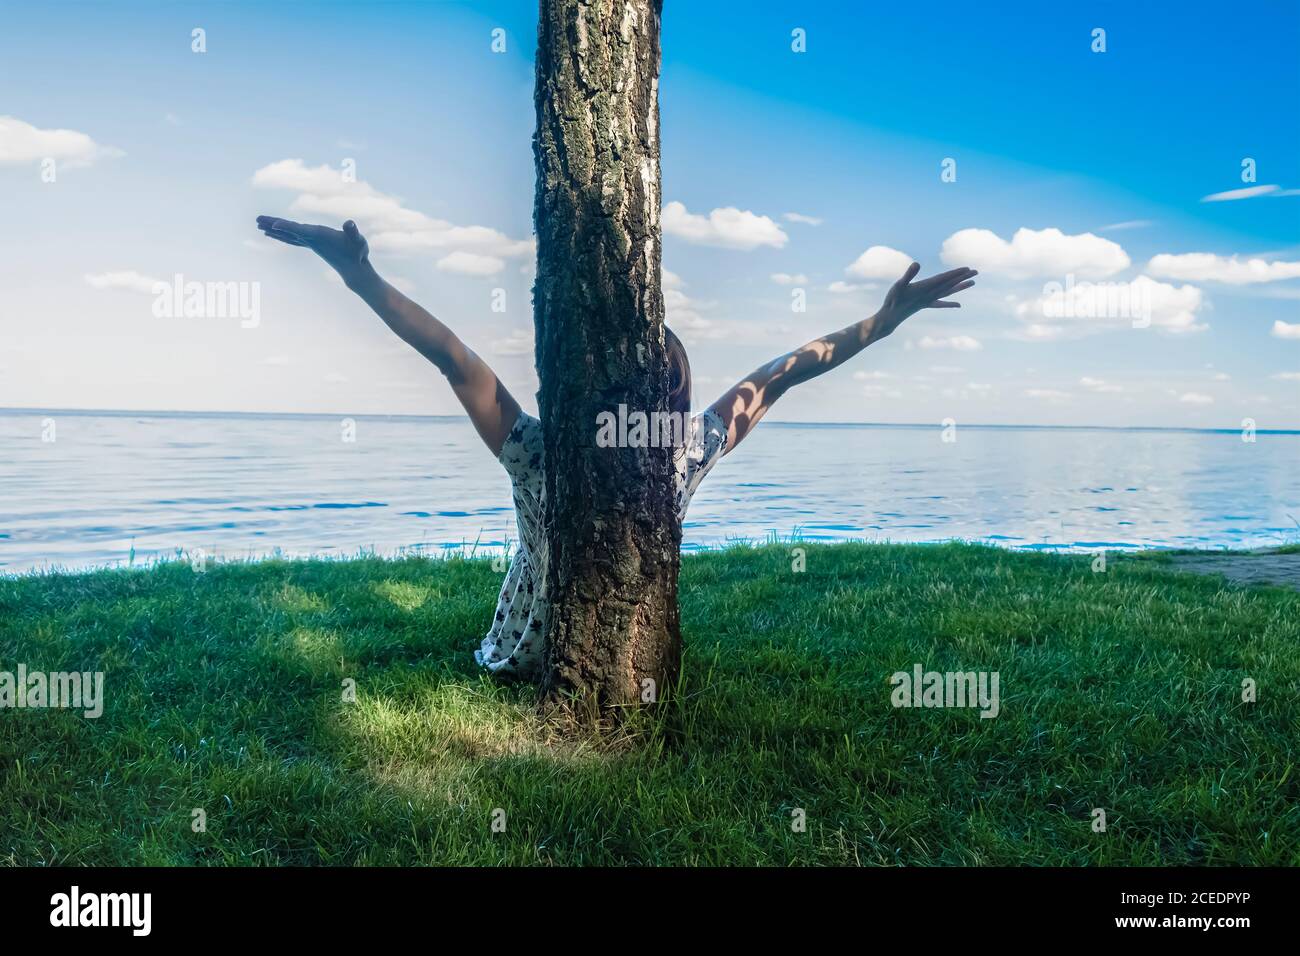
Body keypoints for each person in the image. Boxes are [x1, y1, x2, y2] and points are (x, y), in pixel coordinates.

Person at [256, 216, 977, 679]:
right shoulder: (682, 451)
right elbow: (780, 377)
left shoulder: (542, 452)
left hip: (519, 658)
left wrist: (361, 277)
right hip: (625, 666)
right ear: (679, 398)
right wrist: (880, 326)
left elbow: (453, 357)